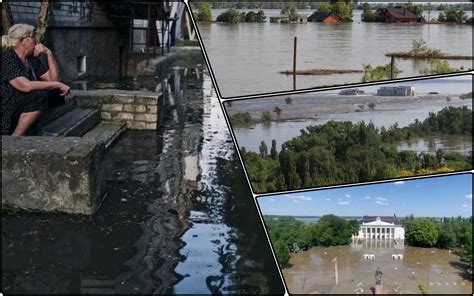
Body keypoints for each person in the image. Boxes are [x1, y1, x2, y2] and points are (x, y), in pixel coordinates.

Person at [2, 23, 70, 136]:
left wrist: (49, 53)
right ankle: (16, 136)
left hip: (22, 103)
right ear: (24, 41)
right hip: (6, 107)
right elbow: (25, 86)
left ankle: (34, 129)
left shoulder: (31, 60)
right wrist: (57, 84)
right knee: (40, 95)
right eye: (33, 37)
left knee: (56, 93)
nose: (37, 41)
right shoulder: (6, 57)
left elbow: (55, 79)